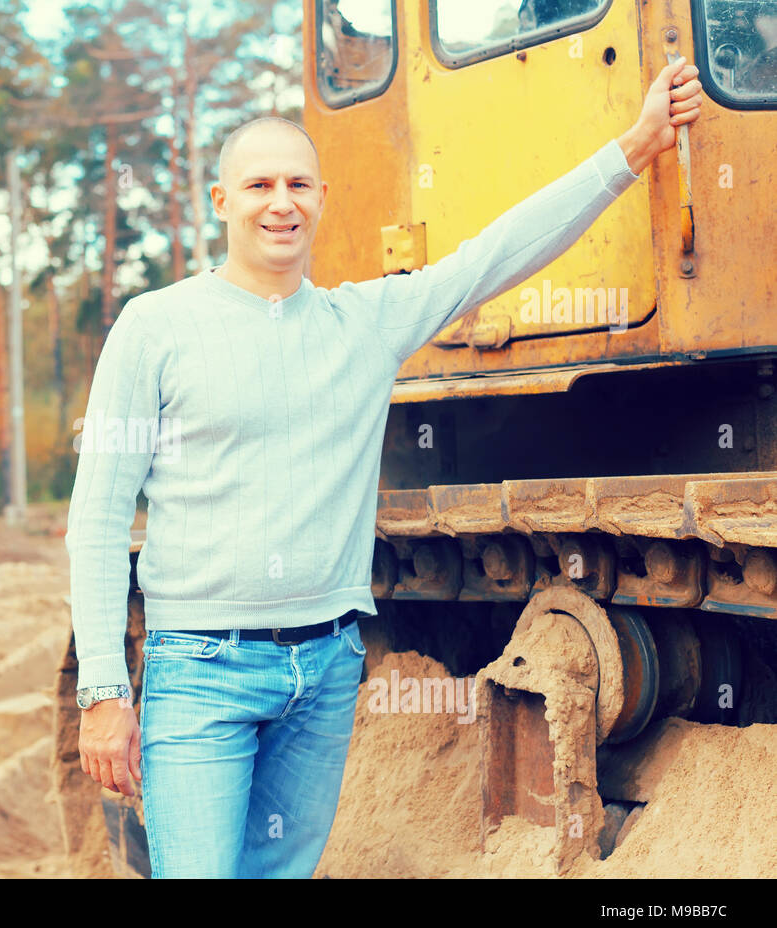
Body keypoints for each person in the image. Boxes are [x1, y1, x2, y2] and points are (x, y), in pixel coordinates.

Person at [66, 59, 704, 878]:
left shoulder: (363, 323)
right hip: (199, 671)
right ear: (221, 201)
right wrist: (103, 691)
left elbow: (497, 253)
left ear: (321, 198)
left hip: (325, 670)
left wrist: (638, 146)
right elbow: (97, 518)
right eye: (259, 185)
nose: (281, 202)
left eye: (298, 184)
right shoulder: (154, 328)